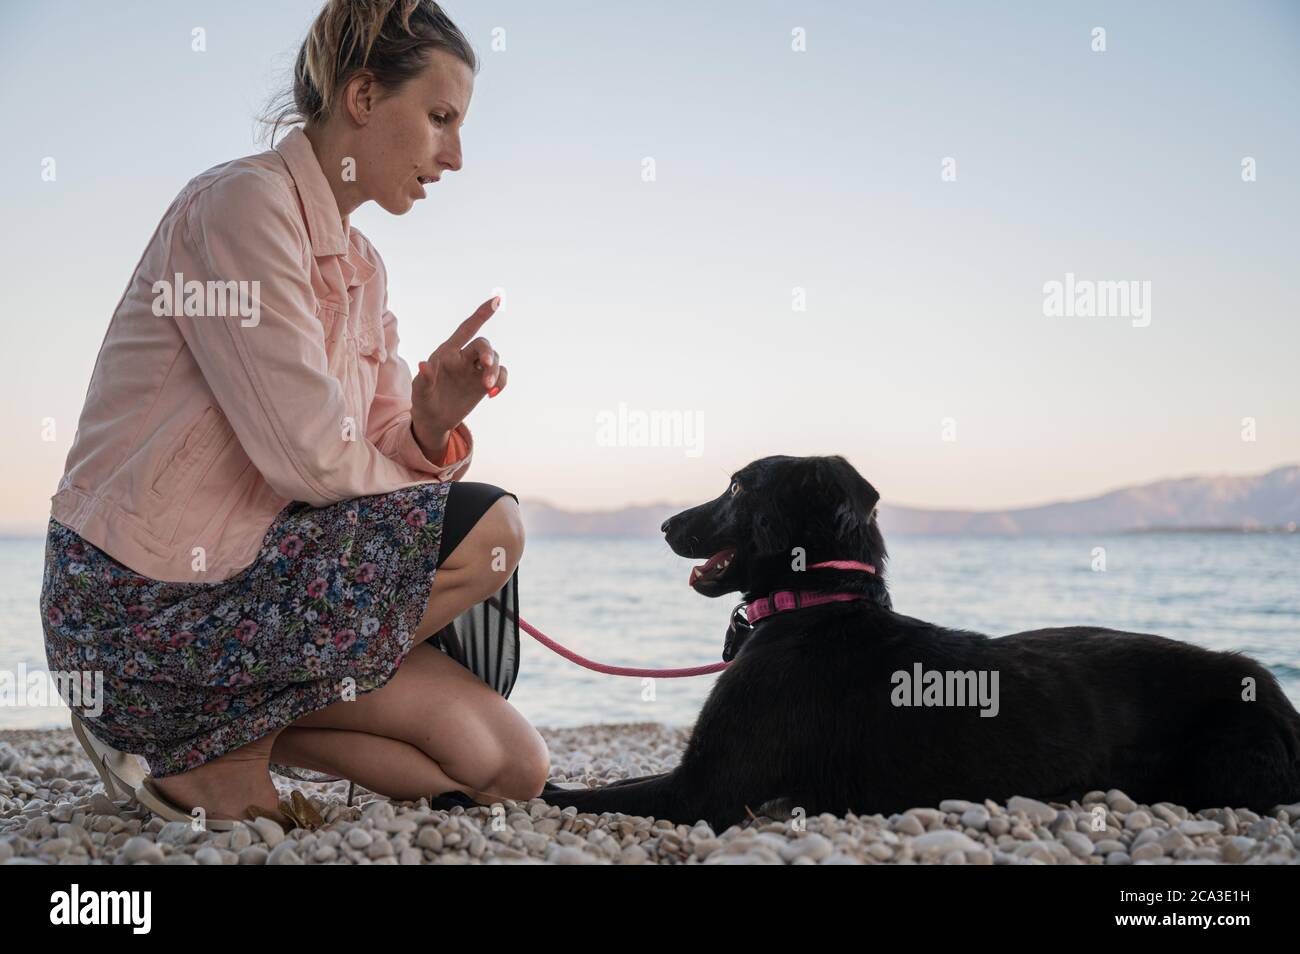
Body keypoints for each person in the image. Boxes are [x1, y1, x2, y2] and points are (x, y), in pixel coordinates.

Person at [39, 0, 547, 829]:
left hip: (260, 600)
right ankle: (181, 735)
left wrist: (427, 427)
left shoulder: (364, 267)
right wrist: (423, 511)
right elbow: (311, 463)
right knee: (493, 531)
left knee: (509, 767)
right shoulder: (242, 207)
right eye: (440, 119)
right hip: (139, 605)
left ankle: (225, 735)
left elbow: (368, 460)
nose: (454, 156)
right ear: (362, 98)